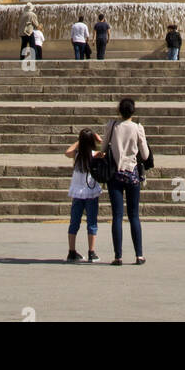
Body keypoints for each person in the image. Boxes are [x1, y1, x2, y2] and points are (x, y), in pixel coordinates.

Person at [104, 97, 149, 265]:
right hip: (132, 174)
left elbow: (103, 148)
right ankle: (139, 255)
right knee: (134, 216)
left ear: (119, 110)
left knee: (117, 216)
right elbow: (144, 155)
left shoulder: (112, 126)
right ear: (133, 111)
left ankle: (118, 256)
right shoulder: (138, 128)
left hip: (114, 175)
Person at [64, 127, 103, 263]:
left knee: (74, 222)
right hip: (91, 192)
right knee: (92, 222)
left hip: (77, 192)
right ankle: (91, 252)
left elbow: (67, 152)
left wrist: (79, 142)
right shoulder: (95, 154)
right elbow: (107, 151)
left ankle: (71, 251)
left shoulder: (76, 154)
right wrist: (100, 140)